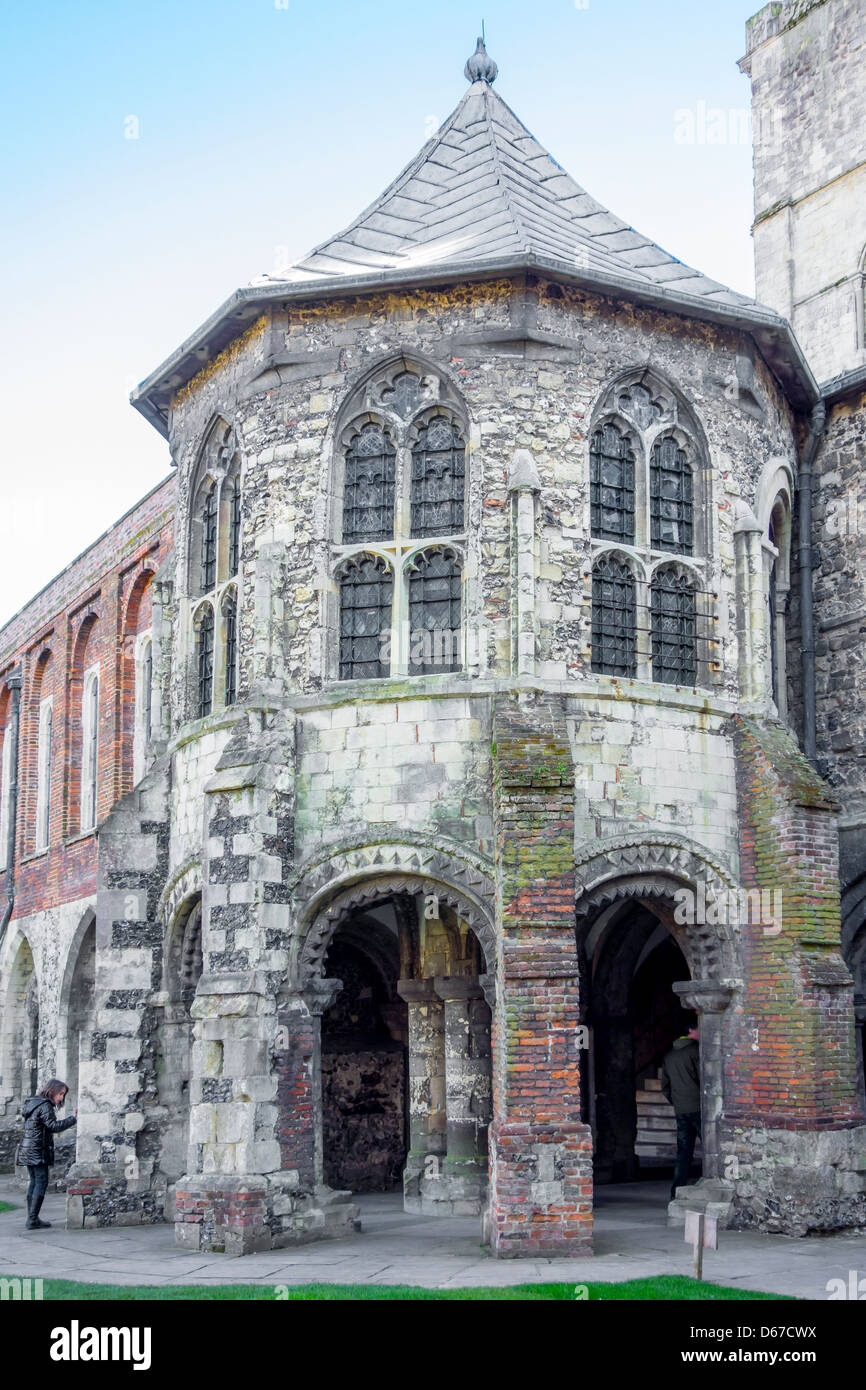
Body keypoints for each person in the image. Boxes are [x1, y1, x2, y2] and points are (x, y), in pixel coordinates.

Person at [17, 1079, 77, 1230]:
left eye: (64, 1094)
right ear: (52, 1091)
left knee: (34, 1182)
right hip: (37, 1150)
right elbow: (53, 1126)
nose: (61, 1097)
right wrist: (73, 1119)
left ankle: (33, 1218)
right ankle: (32, 1220)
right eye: (60, 1093)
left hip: (27, 1149)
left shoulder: (34, 1103)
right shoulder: (45, 1105)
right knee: (41, 1182)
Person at [661, 1020, 701, 1202]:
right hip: (699, 1108)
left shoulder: (669, 1056)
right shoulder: (695, 1051)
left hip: (681, 1109)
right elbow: (704, 1079)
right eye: (699, 1029)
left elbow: (665, 1086)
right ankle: (711, 1182)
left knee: (684, 1152)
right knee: (710, 1148)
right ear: (691, 1030)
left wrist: (677, 1102)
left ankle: (676, 1190)